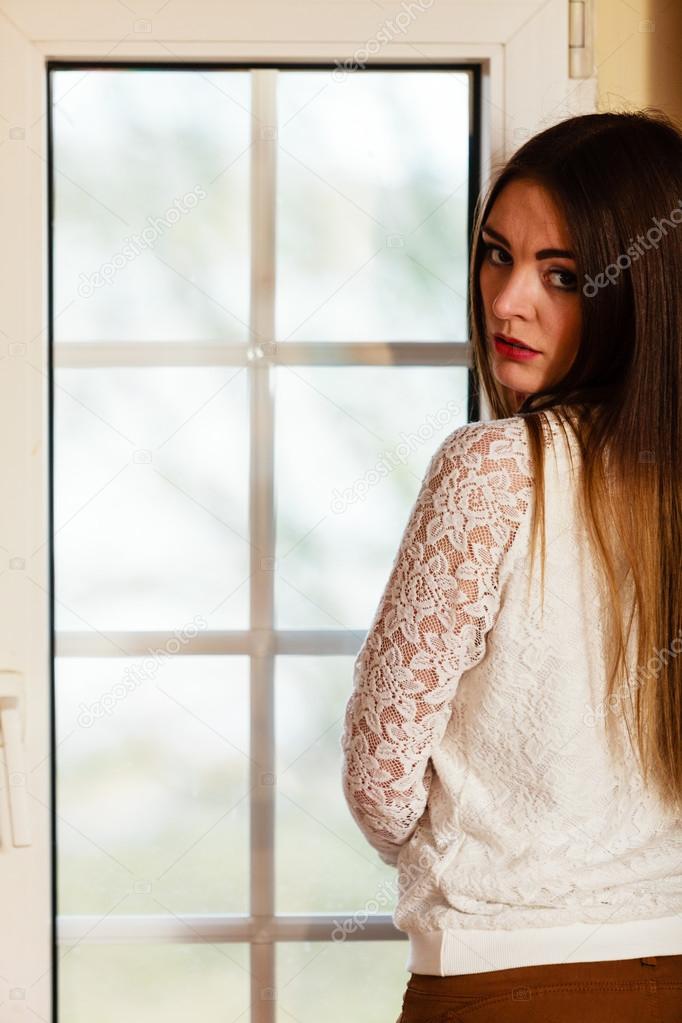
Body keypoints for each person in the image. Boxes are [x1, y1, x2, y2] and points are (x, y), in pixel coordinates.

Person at [340, 108, 682, 1022]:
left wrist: (479, 851)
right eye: (497, 255)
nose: (506, 301)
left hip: (508, 983)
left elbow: (379, 778)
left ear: (641, 291)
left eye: (562, 275)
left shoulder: (492, 468)